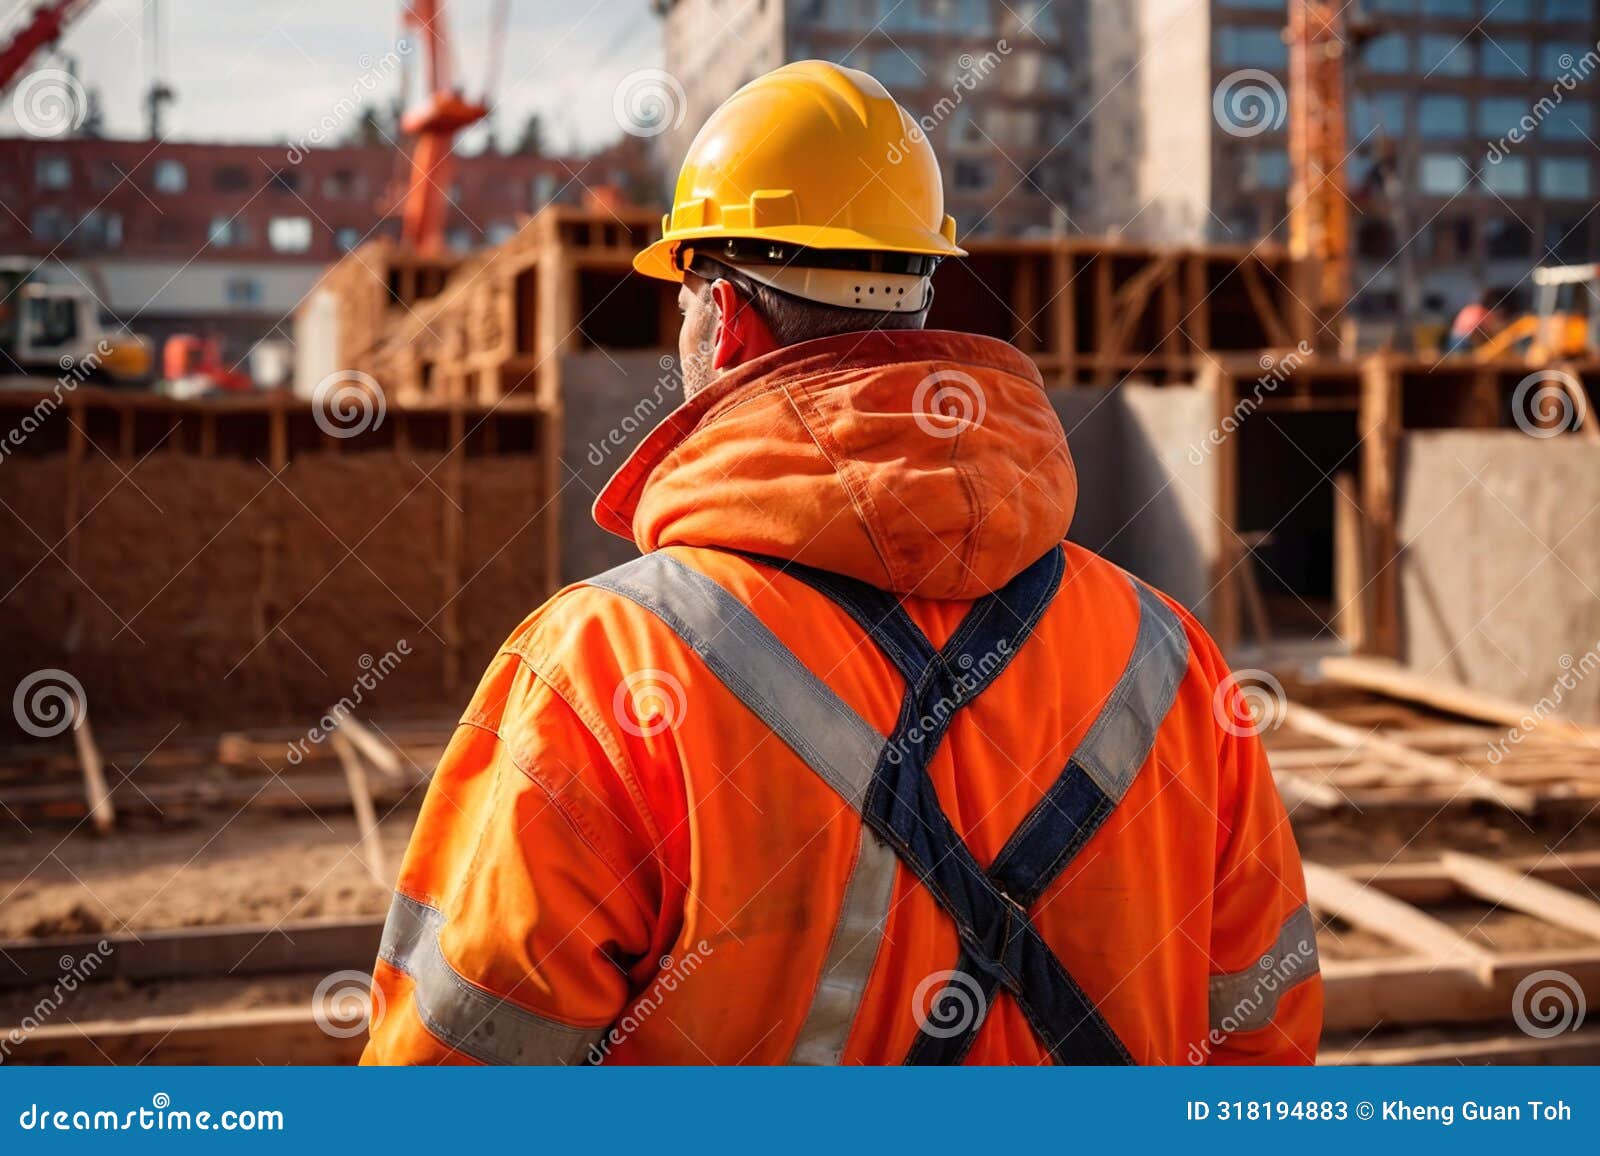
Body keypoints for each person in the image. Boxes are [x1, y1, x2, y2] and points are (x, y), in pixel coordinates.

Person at [363, 60, 1321, 1066]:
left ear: (722, 318)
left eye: (685, 296)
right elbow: (1263, 1038)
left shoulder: (604, 665)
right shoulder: (1168, 656)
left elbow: (455, 1073)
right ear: (915, 298)